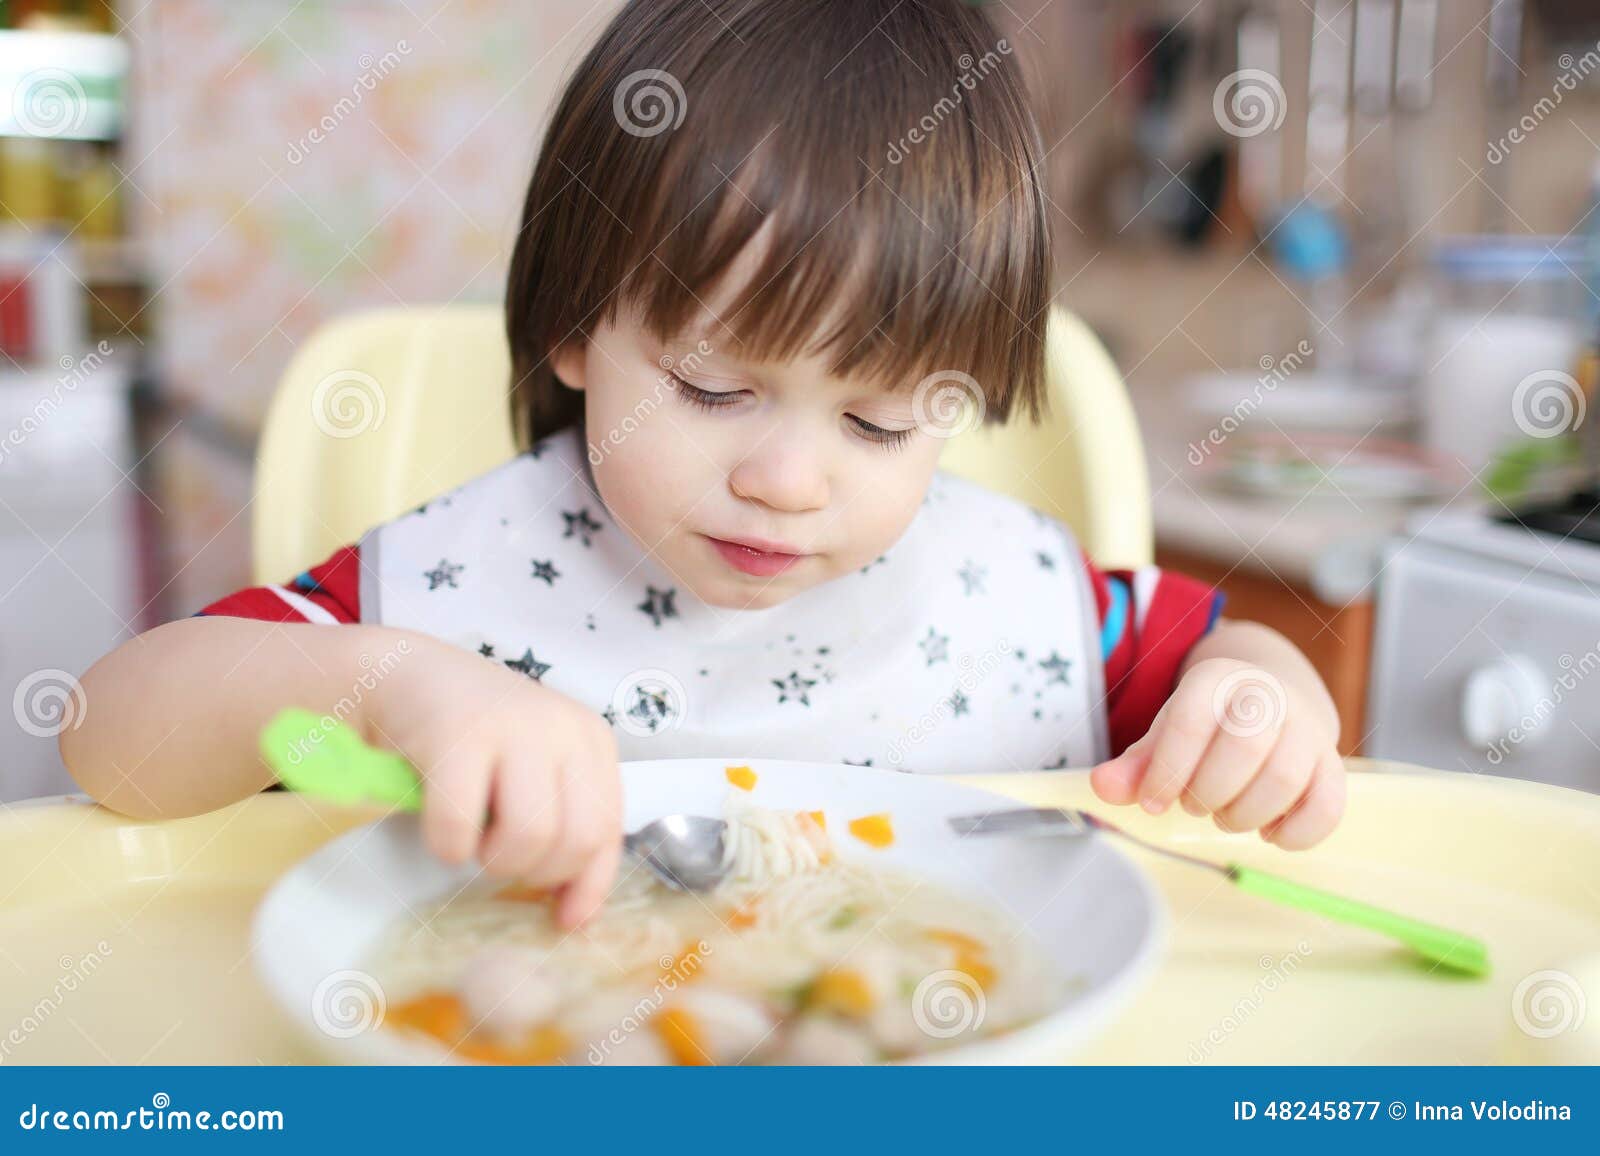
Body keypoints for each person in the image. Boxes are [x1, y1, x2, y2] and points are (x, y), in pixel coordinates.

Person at [62, 0, 1344, 929]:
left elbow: (1227, 654)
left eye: (880, 423)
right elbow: (108, 741)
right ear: (574, 325)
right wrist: (389, 683)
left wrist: (1262, 705)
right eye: (716, 389)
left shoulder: (1017, 603)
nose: (788, 480)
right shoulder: (465, 583)